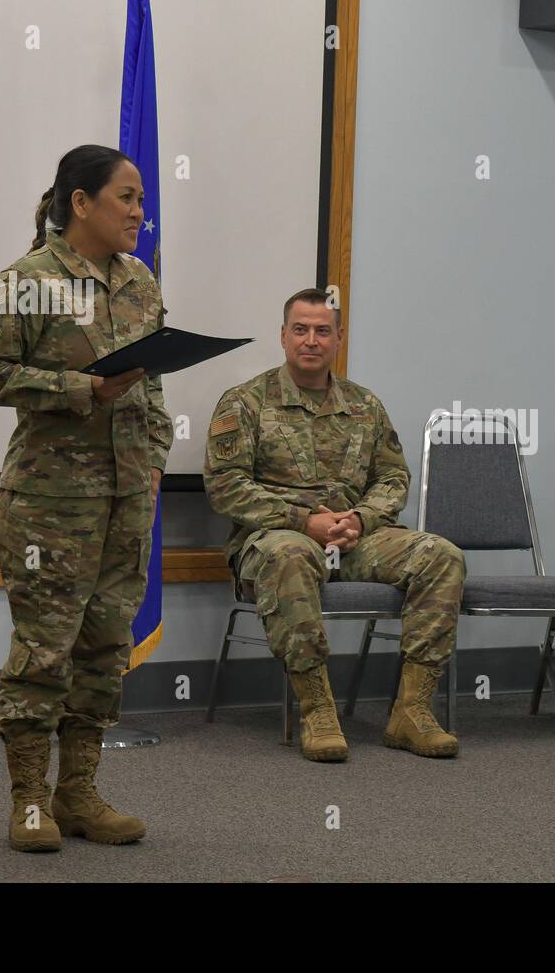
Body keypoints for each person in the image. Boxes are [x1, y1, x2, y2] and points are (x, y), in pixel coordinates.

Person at [0, 144, 172, 850]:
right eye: (127, 198)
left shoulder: (140, 280)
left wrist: (158, 453)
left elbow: (154, 378)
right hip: (50, 502)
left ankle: (79, 792)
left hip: (126, 497)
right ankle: (29, 801)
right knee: (44, 650)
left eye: (142, 200)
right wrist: (78, 388)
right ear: (80, 203)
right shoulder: (26, 281)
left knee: (105, 647)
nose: (139, 213)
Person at [204, 288, 464, 762]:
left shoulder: (365, 405)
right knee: (289, 554)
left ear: (338, 339)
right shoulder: (244, 402)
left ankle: (412, 710)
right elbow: (225, 486)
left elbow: (393, 476)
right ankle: (317, 709)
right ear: (283, 336)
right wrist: (306, 522)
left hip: (355, 538)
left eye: (322, 331)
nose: (311, 340)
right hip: (277, 537)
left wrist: (361, 520)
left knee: (440, 555)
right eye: (300, 329)